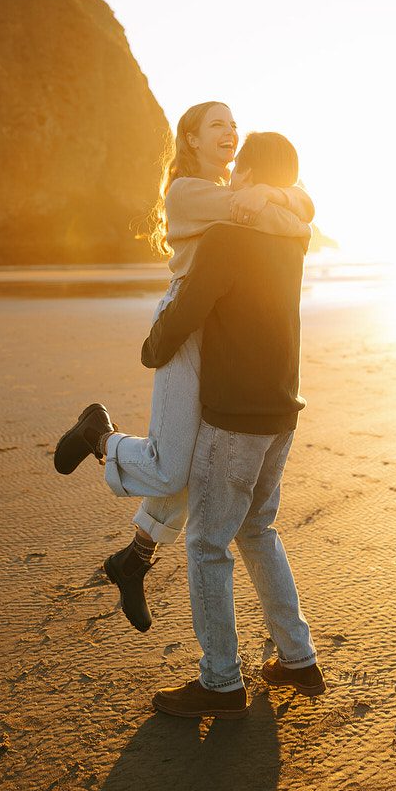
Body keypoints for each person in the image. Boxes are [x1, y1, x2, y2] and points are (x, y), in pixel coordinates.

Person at [53, 102, 314, 633]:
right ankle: (98, 436)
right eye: (218, 124)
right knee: (173, 465)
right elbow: (291, 219)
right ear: (191, 140)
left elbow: (301, 208)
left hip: (221, 322)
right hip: (186, 319)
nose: (231, 132)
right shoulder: (189, 193)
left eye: (234, 124)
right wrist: (275, 198)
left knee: (194, 459)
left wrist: (278, 196)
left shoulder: (235, 194)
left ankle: (136, 558)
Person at [141, 131, 325, 719]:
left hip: (236, 419)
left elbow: (188, 310)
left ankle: (220, 683)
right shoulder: (291, 239)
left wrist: (153, 348)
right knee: (257, 531)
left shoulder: (227, 237)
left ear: (246, 178)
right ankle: (298, 660)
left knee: (205, 541)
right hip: (280, 409)